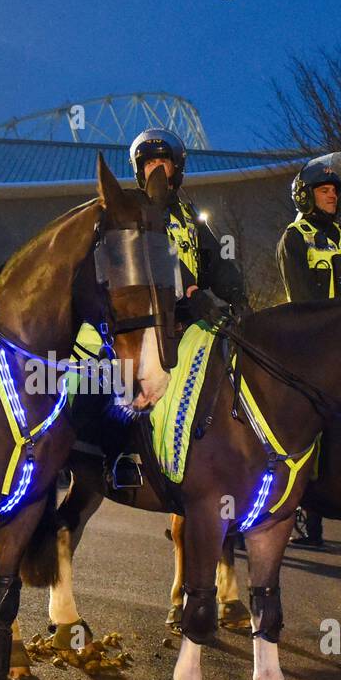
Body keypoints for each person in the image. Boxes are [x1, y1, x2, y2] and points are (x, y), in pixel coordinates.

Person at [105, 129, 249, 488]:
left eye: (162, 162)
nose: (156, 169)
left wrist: (237, 294)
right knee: (135, 377)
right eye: (149, 162)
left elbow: (215, 259)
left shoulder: (187, 214)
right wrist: (193, 291)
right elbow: (156, 255)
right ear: (140, 170)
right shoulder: (134, 212)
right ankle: (122, 454)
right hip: (149, 320)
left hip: (192, 318)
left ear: (176, 169)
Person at [279, 152, 341, 547]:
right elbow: (302, 298)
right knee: (307, 424)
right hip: (314, 345)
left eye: (334, 191)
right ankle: (305, 512)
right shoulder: (295, 237)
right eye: (323, 191)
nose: (332, 197)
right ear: (306, 196)